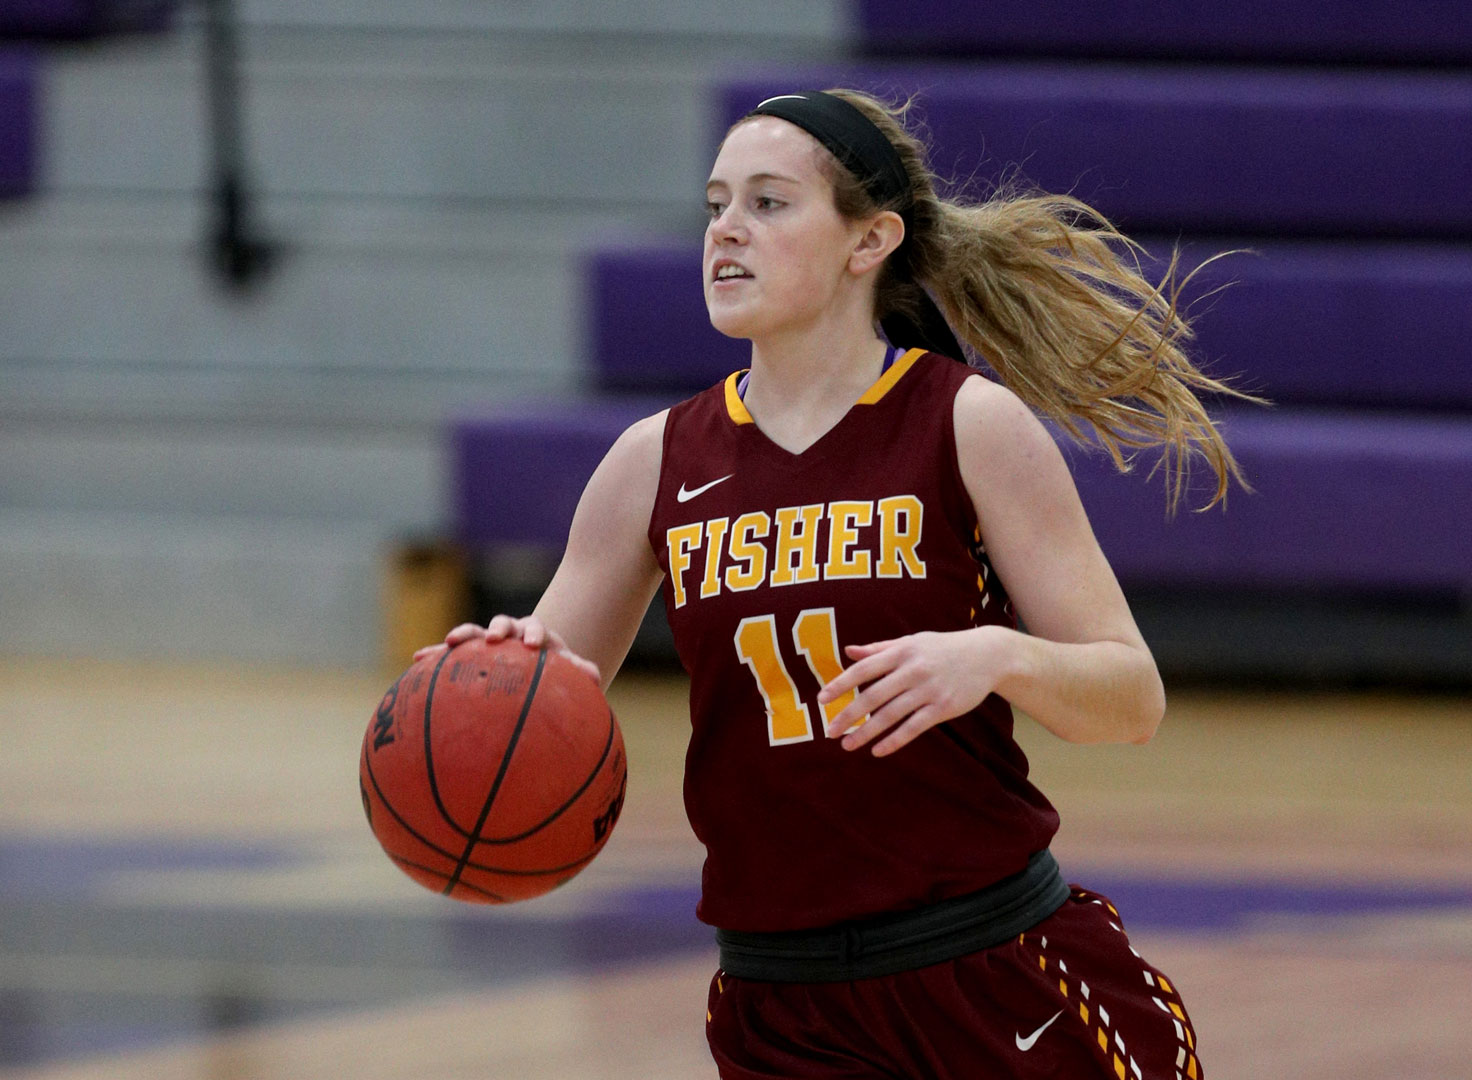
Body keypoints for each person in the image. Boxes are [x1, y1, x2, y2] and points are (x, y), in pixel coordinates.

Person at [425, 88, 1252, 1080]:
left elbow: (1132, 699)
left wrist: (996, 656)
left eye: (769, 204)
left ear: (870, 241)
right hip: (785, 1009)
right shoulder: (654, 460)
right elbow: (549, 695)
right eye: (715, 204)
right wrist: (488, 678)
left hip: (991, 977)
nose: (726, 230)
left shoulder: (965, 425)